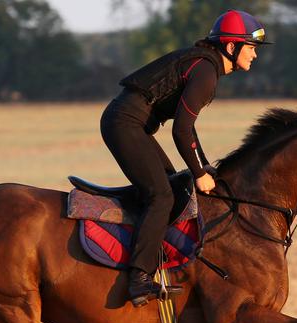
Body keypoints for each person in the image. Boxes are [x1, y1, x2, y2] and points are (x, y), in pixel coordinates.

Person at [100, 10, 271, 307]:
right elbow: (181, 130)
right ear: (231, 46)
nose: (255, 55)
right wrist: (199, 173)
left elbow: (187, 129)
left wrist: (202, 166)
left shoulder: (205, 66)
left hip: (131, 124)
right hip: (124, 124)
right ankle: (139, 278)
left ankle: (154, 253)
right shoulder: (206, 72)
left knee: (172, 185)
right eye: (251, 47)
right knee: (162, 196)